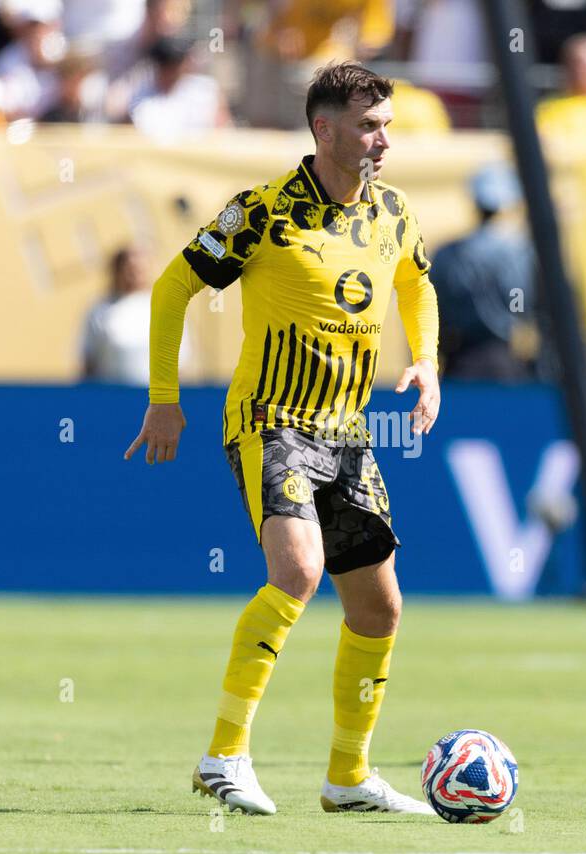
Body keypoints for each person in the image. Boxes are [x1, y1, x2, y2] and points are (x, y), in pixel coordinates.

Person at [124, 62, 440, 815]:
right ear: (323, 129)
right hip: (272, 420)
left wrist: (426, 359)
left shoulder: (394, 214)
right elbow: (174, 286)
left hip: (347, 431)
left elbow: (416, 283)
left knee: (378, 609)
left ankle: (349, 777)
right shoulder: (262, 211)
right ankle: (223, 757)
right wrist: (163, 399)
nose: (383, 139)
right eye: (369, 126)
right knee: (298, 568)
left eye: (387, 124)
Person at [432, 164, 540, 381]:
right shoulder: (521, 252)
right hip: (509, 363)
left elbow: (434, 312)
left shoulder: (447, 254)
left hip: (460, 362)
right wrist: (515, 319)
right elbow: (518, 297)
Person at [80, 245, 189, 385]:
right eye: (129, 268)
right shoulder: (100, 310)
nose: (133, 274)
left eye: (138, 269)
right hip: (110, 396)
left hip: (154, 398)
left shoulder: (165, 308)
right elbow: (89, 359)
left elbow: (179, 362)